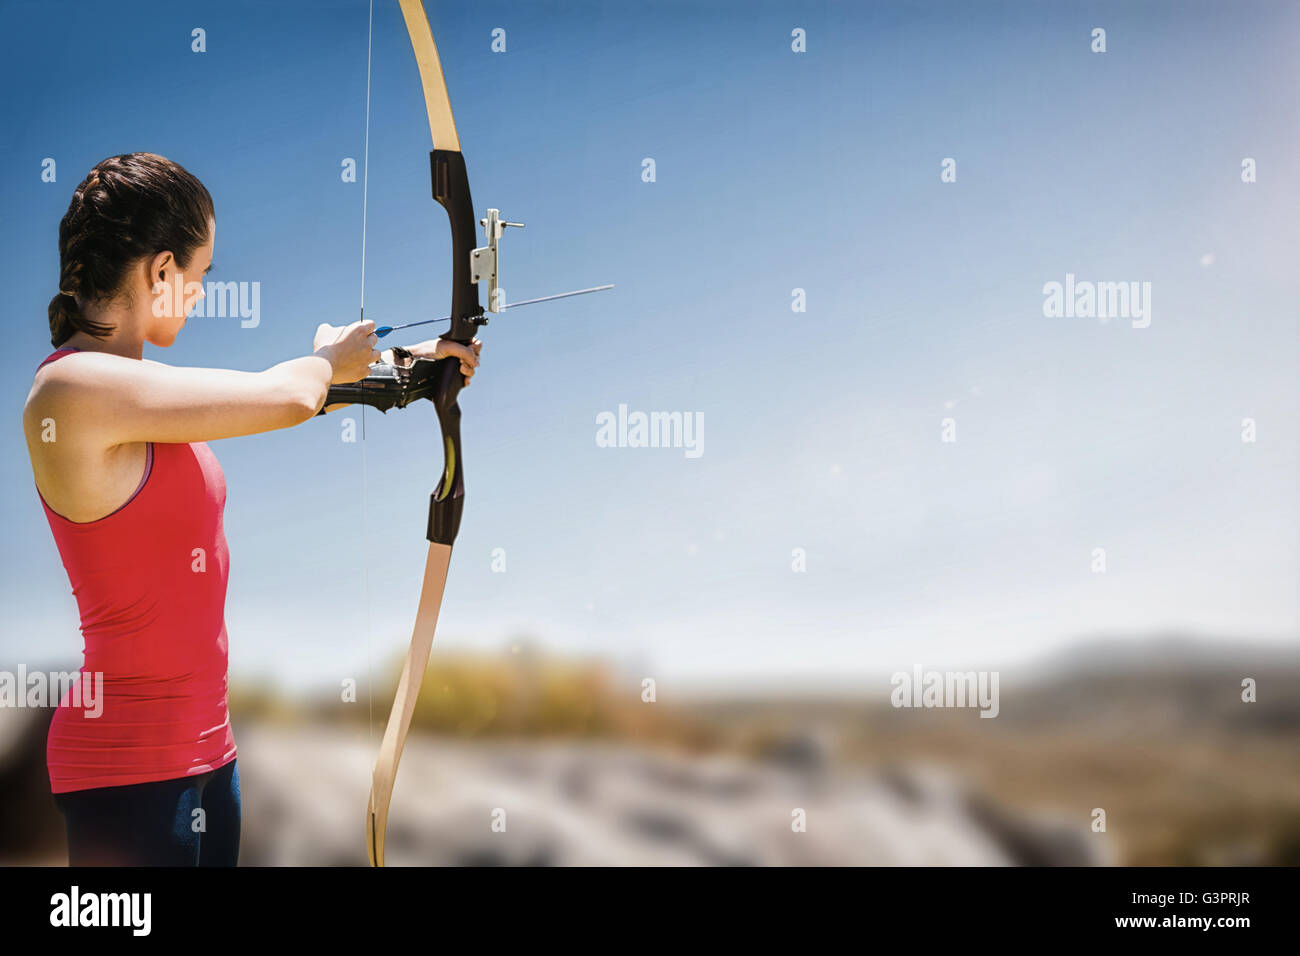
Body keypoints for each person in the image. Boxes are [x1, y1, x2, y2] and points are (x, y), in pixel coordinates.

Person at [22, 152, 479, 865]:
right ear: (160, 271)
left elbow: (292, 395)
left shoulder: (140, 392)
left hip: (209, 751)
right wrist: (327, 355)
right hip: (127, 766)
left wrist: (418, 368)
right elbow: (291, 394)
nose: (201, 294)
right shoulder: (69, 394)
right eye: (199, 277)